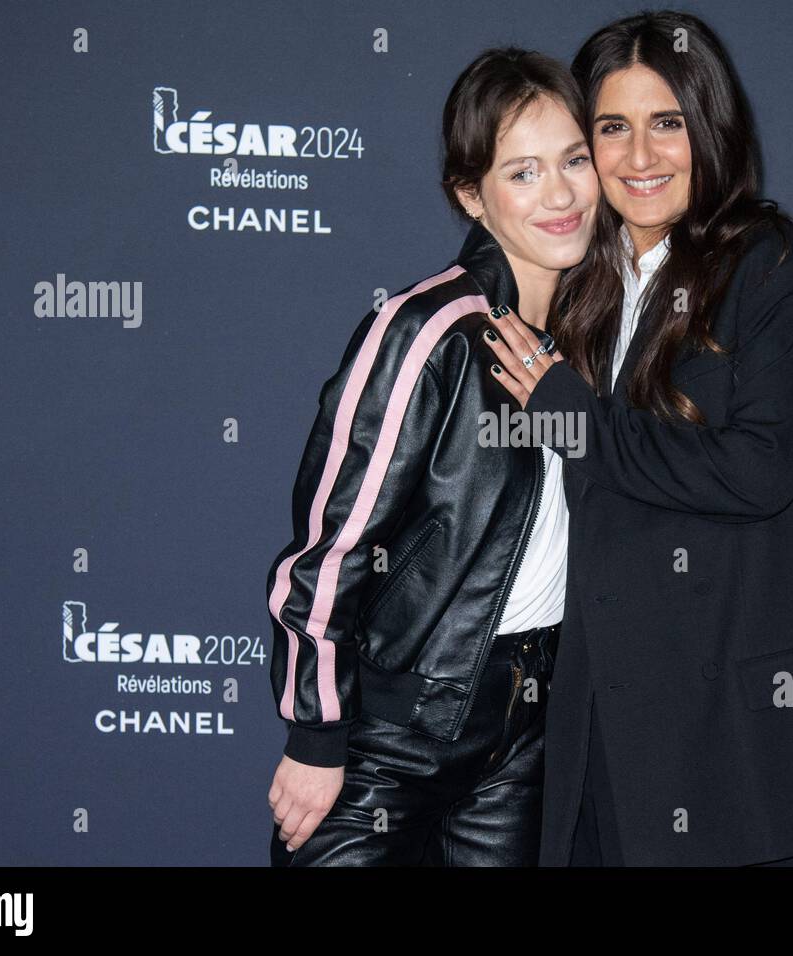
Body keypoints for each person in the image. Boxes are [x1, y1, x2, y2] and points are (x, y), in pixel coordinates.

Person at [485, 10, 793, 866]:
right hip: (612, 738)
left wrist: (576, 414)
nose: (640, 157)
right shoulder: (579, 294)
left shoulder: (772, 267)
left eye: (666, 123)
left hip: (750, 751)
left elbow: (759, 471)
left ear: (709, 128)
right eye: (613, 128)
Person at [265, 47, 599, 865]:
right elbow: (328, 546)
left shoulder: (601, 338)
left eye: (575, 160)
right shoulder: (429, 330)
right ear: (471, 195)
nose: (559, 195)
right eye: (522, 173)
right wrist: (316, 733)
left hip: (523, 742)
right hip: (392, 739)